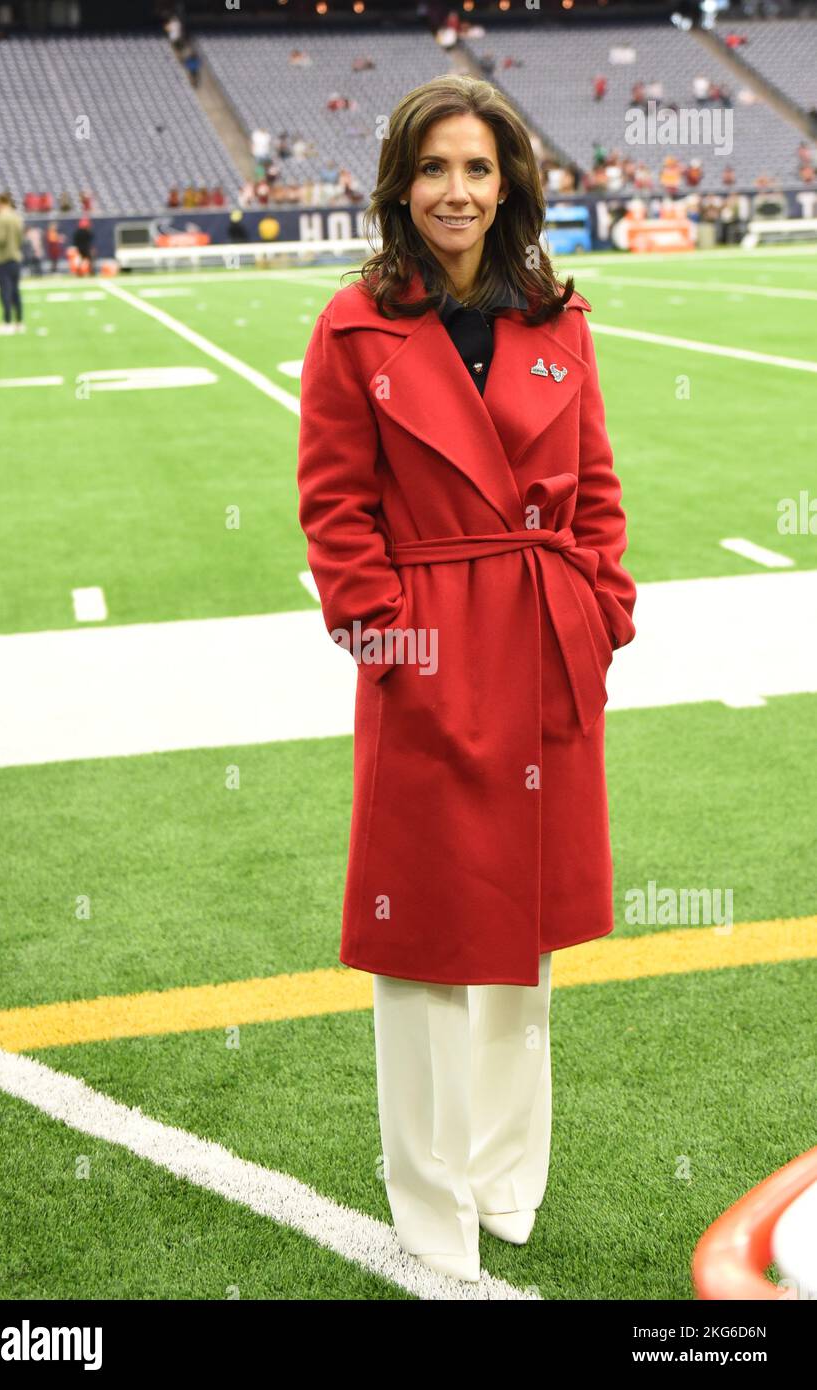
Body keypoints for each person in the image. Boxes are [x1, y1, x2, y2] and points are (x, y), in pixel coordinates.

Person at [296, 74, 637, 1285]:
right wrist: (390, 644)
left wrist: (601, 609)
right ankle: (427, 1194)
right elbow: (335, 518)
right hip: (427, 654)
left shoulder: (560, 319)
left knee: (523, 944)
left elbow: (595, 494)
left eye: (477, 169)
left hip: (542, 646)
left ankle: (503, 1177)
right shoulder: (353, 324)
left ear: (509, 185)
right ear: (400, 185)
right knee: (425, 948)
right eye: (433, 168)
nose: (455, 190)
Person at [0, 191, 25, 329]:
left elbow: (0, 239)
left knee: (4, 290)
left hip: (3, 258)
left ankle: (7, 319)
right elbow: (20, 239)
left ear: (1, 202)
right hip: (15, 256)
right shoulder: (17, 217)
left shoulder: (1, 218)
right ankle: (19, 319)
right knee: (15, 289)